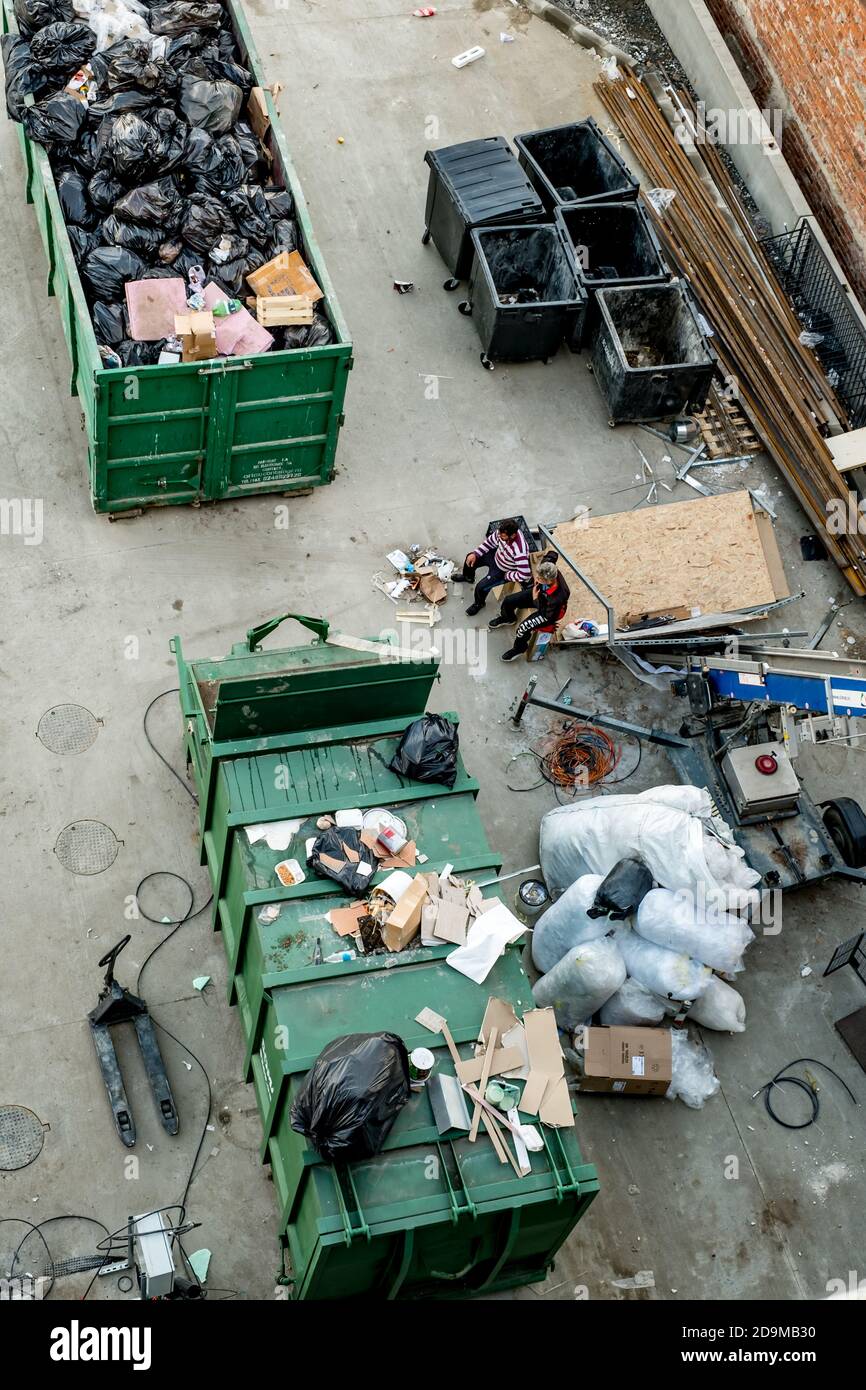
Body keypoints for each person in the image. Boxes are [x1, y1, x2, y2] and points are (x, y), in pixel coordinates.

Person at [489, 558, 571, 661]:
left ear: (549, 581)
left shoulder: (557, 598)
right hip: (539, 594)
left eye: (540, 578)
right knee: (509, 600)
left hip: (549, 612)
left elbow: (545, 613)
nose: (537, 578)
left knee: (523, 628)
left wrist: (535, 599)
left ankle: (519, 648)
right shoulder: (549, 568)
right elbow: (553, 554)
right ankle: (508, 618)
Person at [454, 519, 532, 616]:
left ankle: (479, 603)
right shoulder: (502, 532)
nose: (499, 536)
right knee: (469, 558)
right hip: (497, 555)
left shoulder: (519, 551)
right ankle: (468, 577)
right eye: (499, 533)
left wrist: (508, 576)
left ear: (512, 536)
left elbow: (525, 575)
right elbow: (489, 542)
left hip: (503, 570)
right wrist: (476, 554)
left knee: (481, 587)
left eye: (502, 536)